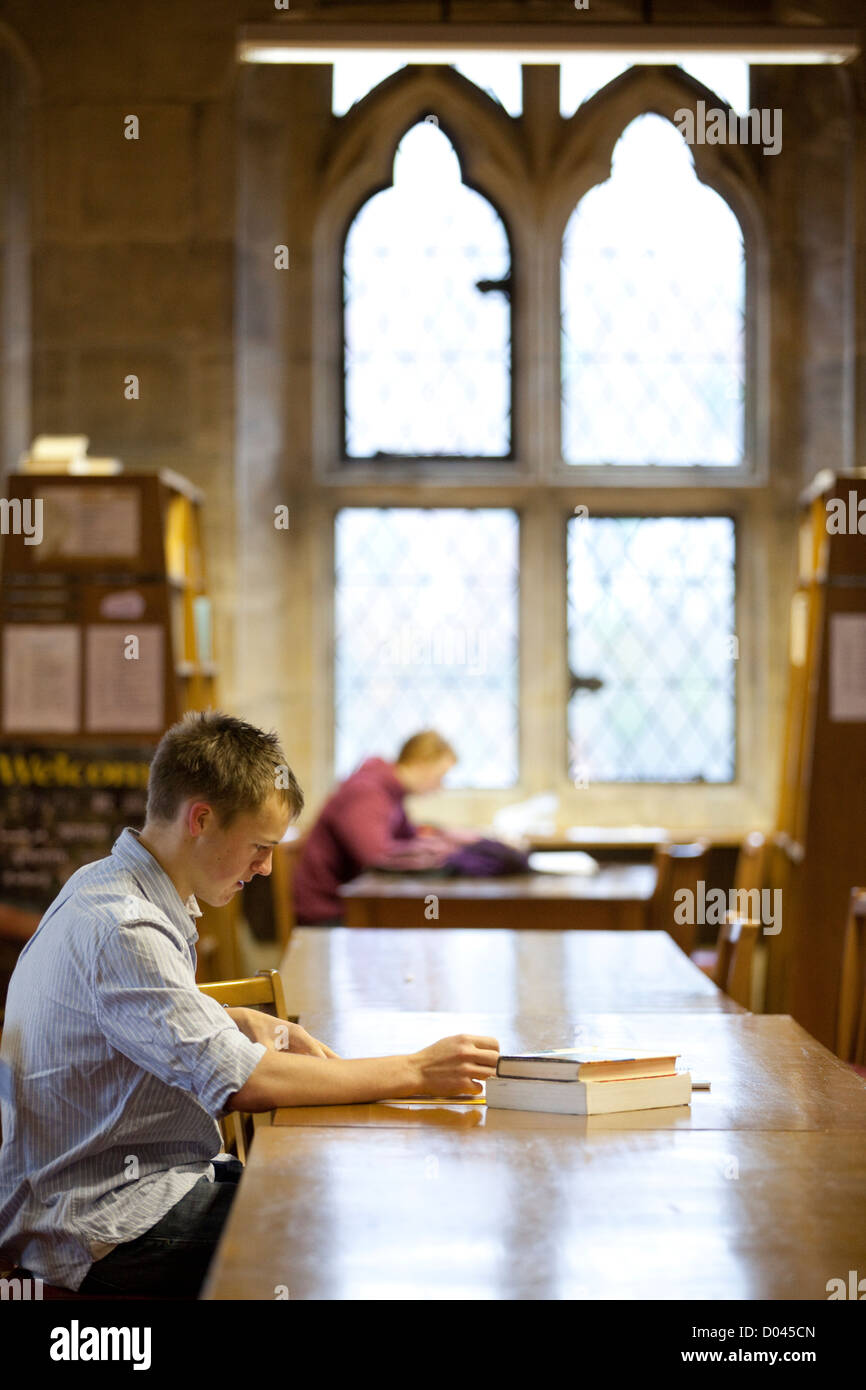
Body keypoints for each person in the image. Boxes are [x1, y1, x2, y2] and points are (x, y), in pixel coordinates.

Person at [0, 711, 499, 1297]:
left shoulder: (110, 882)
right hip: (98, 1226)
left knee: (330, 1186)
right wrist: (417, 1071)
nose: (264, 868)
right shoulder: (125, 926)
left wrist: (232, 1017)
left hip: (109, 1191)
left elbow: (130, 1017)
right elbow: (243, 1085)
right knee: (348, 1219)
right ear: (201, 820)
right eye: (260, 847)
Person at [293, 730, 474, 924]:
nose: (440, 787)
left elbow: (409, 837)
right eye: (440, 776)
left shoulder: (392, 792)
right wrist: (439, 851)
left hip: (352, 901)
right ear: (422, 763)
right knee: (428, 924)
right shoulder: (367, 792)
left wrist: (446, 838)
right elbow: (376, 857)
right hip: (327, 910)